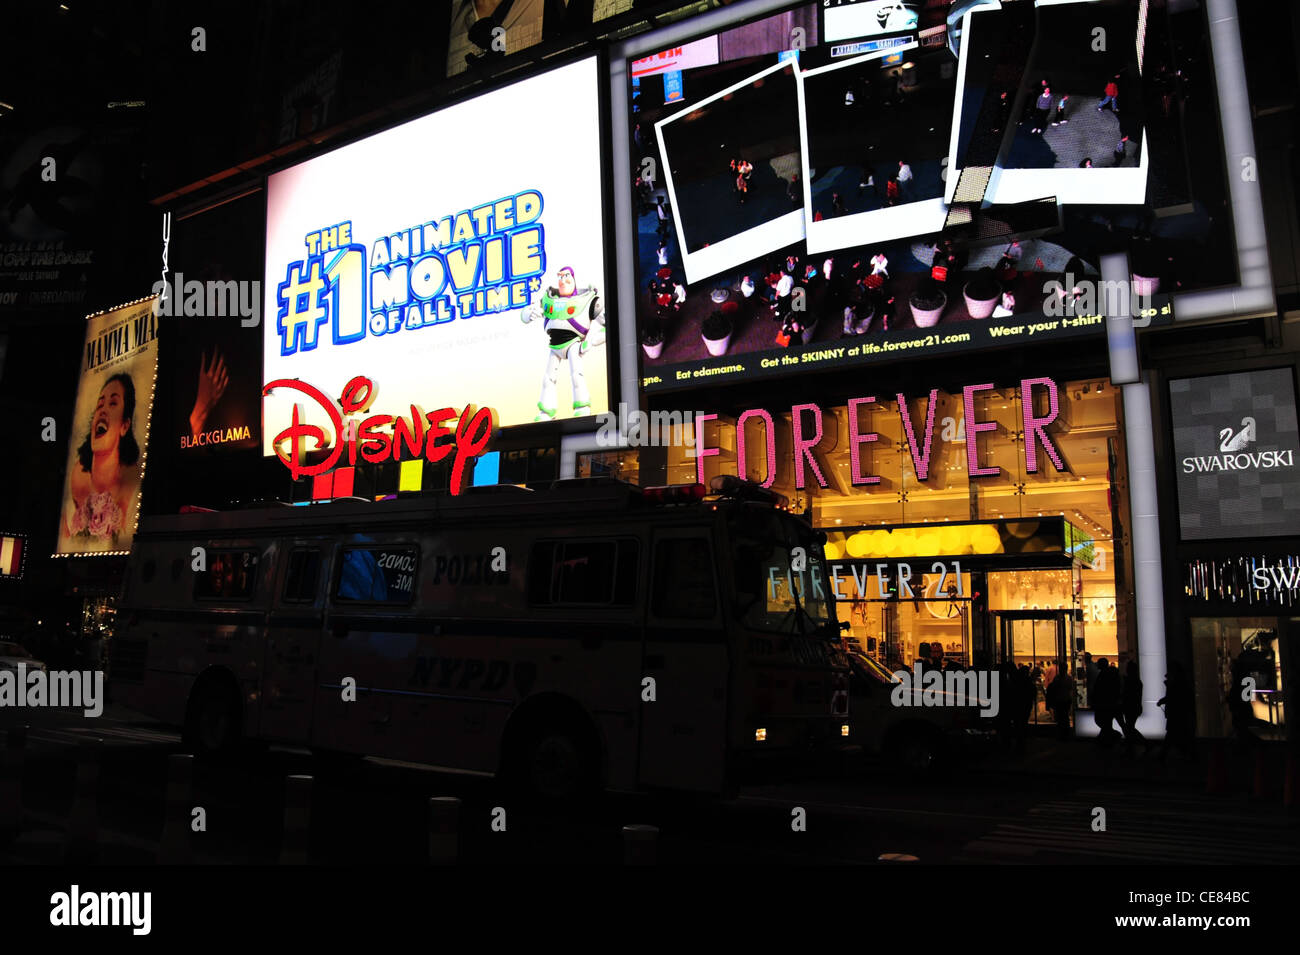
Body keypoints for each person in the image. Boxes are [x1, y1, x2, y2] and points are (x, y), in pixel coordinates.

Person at [63, 373, 141, 547]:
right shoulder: (78, 475)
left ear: (124, 426)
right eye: (100, 404)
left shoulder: (132, 480)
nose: (103, 410)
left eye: (113, 403)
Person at [521, 266, 604, 421]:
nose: (562, 281)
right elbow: (524, 316)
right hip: (554, 346)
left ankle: (582, 406)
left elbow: (609, 326)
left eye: (566, 277)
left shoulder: (589, 300)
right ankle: (546, 411)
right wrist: (531, 313)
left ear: (573, 278)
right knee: (548, 378)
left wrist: (593, 341)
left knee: (576, 374)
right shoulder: (547, 299)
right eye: (560, 277)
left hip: (574, 344)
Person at [1156, 661, 1195, 760]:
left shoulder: (1174, 683)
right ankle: (1186, 753)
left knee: (1172, 734)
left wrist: (1162, 701)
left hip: (1175, 712)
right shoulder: (1181, 682)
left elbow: (1172, 696)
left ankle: (1164, 754)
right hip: (1179, 712)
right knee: (1178, 733)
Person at [1092, 657, 1123, 745]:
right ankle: (1110, 738)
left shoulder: (1103, 674)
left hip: (1106, 703)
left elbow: (1100, 689)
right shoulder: (1111, 674)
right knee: (1108, 722)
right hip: (1112, 702)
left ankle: (1112, 737)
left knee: (1103, 722)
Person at [1121, 659, 1147, 754]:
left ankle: (1142, 743)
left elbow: (1127, 695)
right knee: (1130, 727)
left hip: (1130, 707)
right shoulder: (1137, 681)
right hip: (1135, 707)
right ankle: (1131, 746)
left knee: (1129, 728)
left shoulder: (1130, 681)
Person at [1046, 661, 1075, 739]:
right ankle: (1066, 733)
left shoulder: (1057, 678)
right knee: (1065, 717)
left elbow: (1054, 688)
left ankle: (1061, 734)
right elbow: (1070, 689)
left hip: (1059, 700)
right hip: (1066, 699)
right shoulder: (1069, 678)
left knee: (1060, 717)